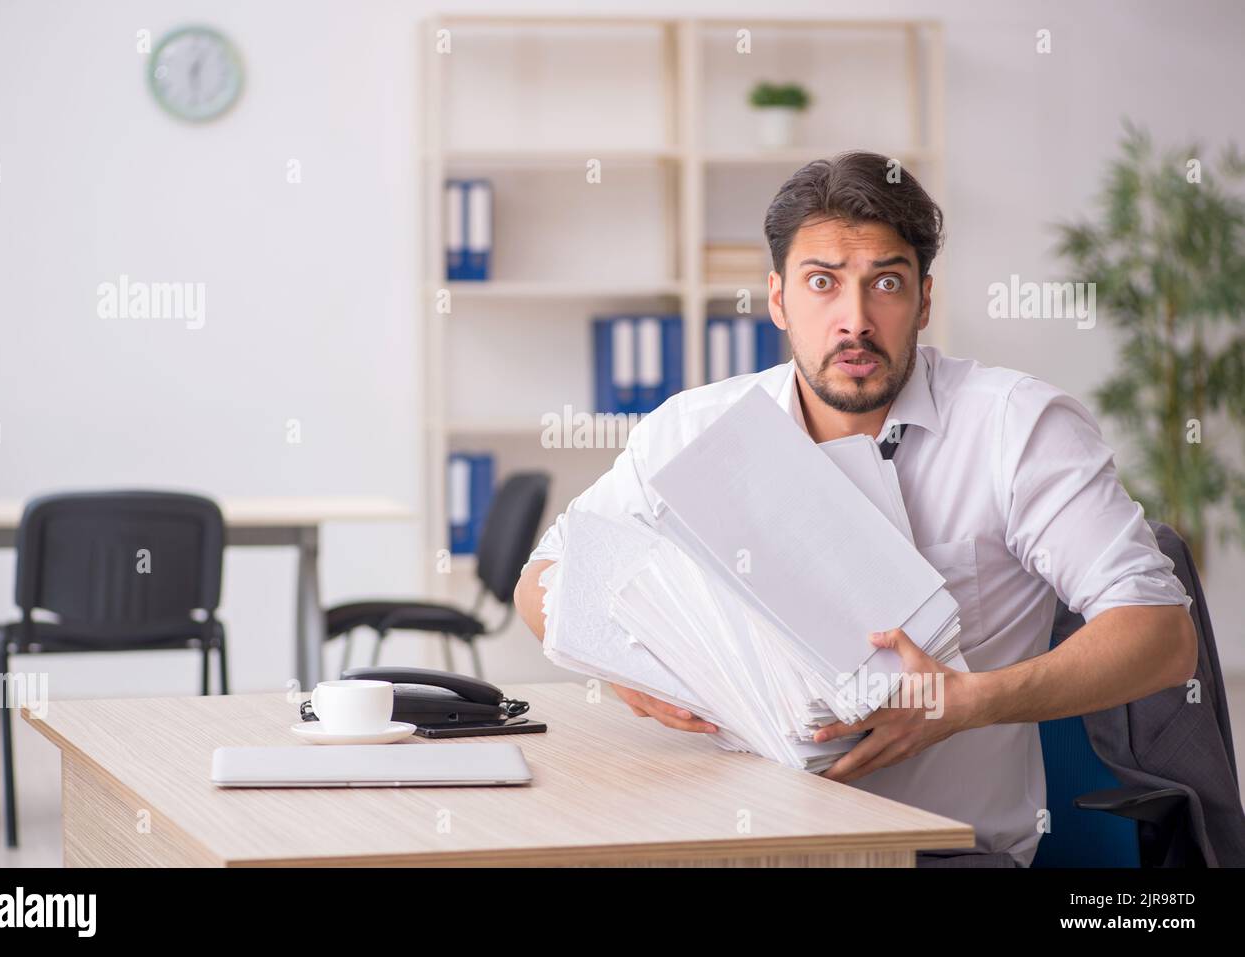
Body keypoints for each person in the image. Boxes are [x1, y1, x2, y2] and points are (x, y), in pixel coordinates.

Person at [513, 151, 1197, 867]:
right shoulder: (692, 430)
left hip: (938, 855)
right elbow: (544, 576)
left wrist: (971, 701)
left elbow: (1159, 632)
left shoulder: (1015, 426)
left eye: (887, 284)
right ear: (777, 298)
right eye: (822, 283)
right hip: (728, 838)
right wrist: (632, 673)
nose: (855, 320)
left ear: (924, 300)